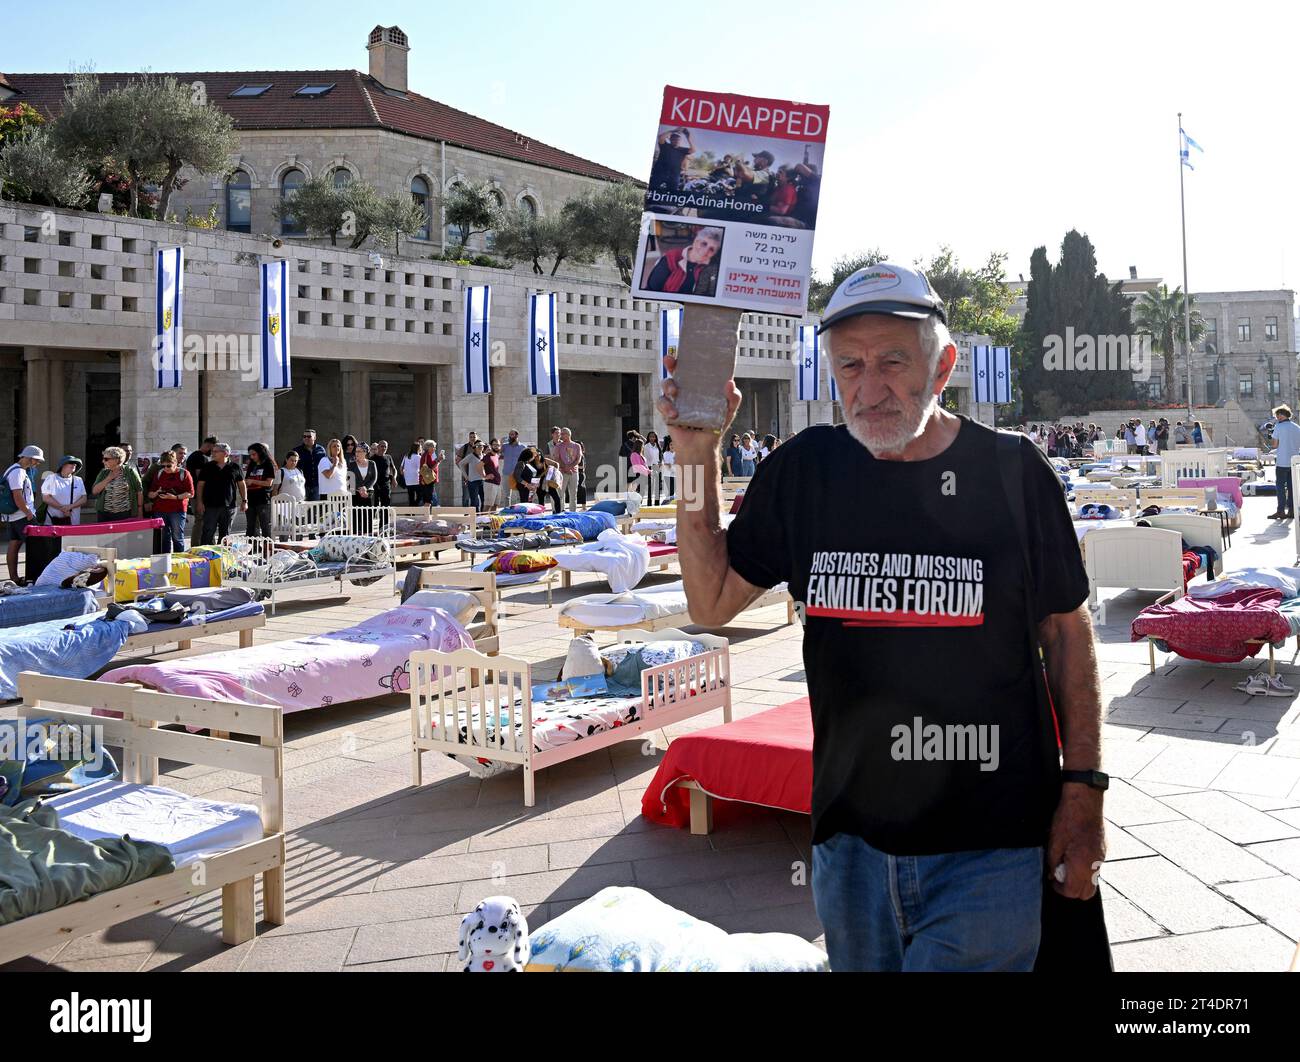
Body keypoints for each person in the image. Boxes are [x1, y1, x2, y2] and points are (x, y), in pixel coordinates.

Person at [658, 261, 1103, 972]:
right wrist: (693, 453)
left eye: (893, 362)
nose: (869, 389)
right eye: (850, 366)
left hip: (990, 849)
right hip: (850, 849)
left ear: (943, 363)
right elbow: (710, 602)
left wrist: (1084, 794)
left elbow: (1070, 638)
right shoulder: (806, 473)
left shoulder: (1012, 474)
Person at [4, 445, 43, 583]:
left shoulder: (12, 469)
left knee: (14, 544)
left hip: (13, 515)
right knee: (37, 546)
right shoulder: (18, 472)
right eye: (36, 460)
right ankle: (35, 578)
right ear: (29, 458)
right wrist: (28, 513)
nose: (38, 463)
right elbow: (17, 495)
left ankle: (14, 578)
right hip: (22, 516)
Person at [645, 227, 723, 297]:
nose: (705, 251)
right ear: (696, 241)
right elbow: (651, 290)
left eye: (711, 249)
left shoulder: (713, 270)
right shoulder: (672, 258)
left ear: (714, 254)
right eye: (704, 244)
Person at [196, 443, 246, 545]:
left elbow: (242, 485)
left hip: (229, 506)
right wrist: (199, 502)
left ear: (225, 453)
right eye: (212, 451)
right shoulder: (207, 467)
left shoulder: (235, 467)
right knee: (207, 532)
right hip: (210, 506)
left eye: (215, 451)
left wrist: (245, 501)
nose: (212, 454)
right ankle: (206, 556)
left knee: (225, 535)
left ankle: (222, 557)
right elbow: (200, 485)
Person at [148, 449, 194, 552]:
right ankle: (166, 561)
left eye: (168, 466)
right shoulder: (159, 473)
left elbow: (191, 493)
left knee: (177, 537)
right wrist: (157, 493)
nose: (165, 468)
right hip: (160, 510)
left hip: (177, 510)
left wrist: (174, 497)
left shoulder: (184, 474)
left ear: (175, 463)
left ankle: (179, 560)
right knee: (164, 538)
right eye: (163, 466)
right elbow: (150, 494)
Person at [92, 446, 142, 522]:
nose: (103, 461)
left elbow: (139, 491)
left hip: (124, 514)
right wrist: (109, 478)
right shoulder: (104, 473)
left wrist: (140, 511)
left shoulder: (130, 472)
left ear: (117, 460)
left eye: (106, 459)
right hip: (104, 514)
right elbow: (95, 491)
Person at [1269, 405, 1300, 520]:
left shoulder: (1279, 427)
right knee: (1292, 487)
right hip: (1294, 462)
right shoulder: (1297, 427)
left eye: (1277, 415)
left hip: (1282, 461)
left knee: (1280, 487)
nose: (1276, 418)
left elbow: (1275, 445)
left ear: (1282, 415)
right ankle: (1292, 511)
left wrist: (1271, 440)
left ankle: (1281, 511)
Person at [186, 436, 217, 545]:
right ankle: (197, 545)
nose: (213, 452)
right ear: (208, 446)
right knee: (201, 520)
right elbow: (201, 477)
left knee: (202, 520)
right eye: (213, 449)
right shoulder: (200, 458)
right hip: (200, 495)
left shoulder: (193, 456)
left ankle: (203, 543)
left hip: (197, 494)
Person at [41, 455, 88, 526]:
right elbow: (46, 498)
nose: (74, 465)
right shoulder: (51, 478)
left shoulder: (78, 480)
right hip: (53, 521)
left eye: (75, 463)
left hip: (73, 522)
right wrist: (62, 508)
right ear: (63, 465)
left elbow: (84, 498)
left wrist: (70, 507)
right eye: (71, 462)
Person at [244, 443, 278, 538]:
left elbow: (269, 483)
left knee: (265, 525)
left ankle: (267, 547)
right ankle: (251, 546)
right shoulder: (252, 464)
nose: (252, 457)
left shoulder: (268, 464)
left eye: (254, 454)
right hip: (250, 498)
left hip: (263, 499)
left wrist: (253, 481)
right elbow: (247, 479)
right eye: (250, 455)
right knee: (251, 525)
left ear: (260, 453)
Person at [649, 127, 693, 193]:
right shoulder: (665, 146)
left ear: (680, 141)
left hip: (674, 176)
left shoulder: (682, 150)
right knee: (652, 191)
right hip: (659, 174)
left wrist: (688, 137)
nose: (676, 140)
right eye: (674, 139)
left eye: (678, 139)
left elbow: (693, 150)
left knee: (672, 194)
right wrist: (674, 131)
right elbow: (660, 137)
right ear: (670, 140)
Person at [292, 430, 327, 502]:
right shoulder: (297, 451)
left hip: (317, 485)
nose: (306, 438)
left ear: (314, 437)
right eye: (304, 436)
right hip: (302, 484)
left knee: (315, 508)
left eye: (309, 436)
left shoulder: (321, 450)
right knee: (302, 507)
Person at [554, 427, 583, 510]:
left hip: (574, 472)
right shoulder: (558, 446)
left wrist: (570, 467)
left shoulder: (577, 446)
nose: (561, 436)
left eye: (562, 434)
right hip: (562, 472)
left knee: (573, 494)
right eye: (560, 434)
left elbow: (578, 459)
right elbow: (557, 458)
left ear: (568, 435)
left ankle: (573, 512)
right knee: (560, 493)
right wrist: (565, 467)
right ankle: (561, 511)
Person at [458, 441, 486, 512]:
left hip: (483, 481)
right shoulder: (471, 456)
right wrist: (466, 476)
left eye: (482, 446)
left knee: (484, 500)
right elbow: (461, 464)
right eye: (478, 446)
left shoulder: (484, 456)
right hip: (473, 481)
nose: (480, 447)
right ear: (474, 448)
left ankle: (482, 516)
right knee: (474, 501)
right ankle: (475, 517)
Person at [500, 430, 525, 506]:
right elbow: (497, 453)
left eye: (512, 434)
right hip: (506, 474)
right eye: (509, 434)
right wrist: (500, 443)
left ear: (517, 435)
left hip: (517, 475)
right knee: (506, 496)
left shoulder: (523, 447)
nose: (510, 436)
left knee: (518, 496)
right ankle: (506, 512)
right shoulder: (504, 446)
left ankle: (518, 512)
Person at [371, 440, 395, 507]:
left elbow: (394, 469)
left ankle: (385, 517)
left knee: (386, 505)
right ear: (378, 447)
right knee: (375, 505)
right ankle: (373, 517)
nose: (384, 448)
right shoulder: (372, 459)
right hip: (375, 484)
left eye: (385, 447)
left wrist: (394, 478)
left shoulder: (388, 457)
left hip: (386, 484)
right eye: (382, 446)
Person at [481, 439, 503, 511]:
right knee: (488, 506)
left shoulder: (496, 455)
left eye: (498, 445)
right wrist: (484, 476)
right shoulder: (487, 456)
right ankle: (482, 521)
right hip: (490, 484)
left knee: (496, 505)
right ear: (491, 446)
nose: (497, 447)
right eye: (495, 445)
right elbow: (478, 466)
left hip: (497, 483)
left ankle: (492, 521)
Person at [419, 440, 442, 506]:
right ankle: (427, 515)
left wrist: (438, 460)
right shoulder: (427, 455)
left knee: (427, 499)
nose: (435, 448)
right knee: (428, 500)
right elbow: (431, 467)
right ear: (428, 447)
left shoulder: (425, 455)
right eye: (433, 447)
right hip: (428, 480)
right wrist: (438, 459)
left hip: (426, 480)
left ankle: (426, 514)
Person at [642, 431, 662, 505]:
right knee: (650, 486)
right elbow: (644, 457)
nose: (652, 438)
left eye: (653, 437)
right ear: (648, 437)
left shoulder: (658, 445)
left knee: (657, 485)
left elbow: (660, 455)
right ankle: (649, 503)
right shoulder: (646, 446)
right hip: (649, 467)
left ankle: (657, 503)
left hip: (657, 466)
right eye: (650, 436)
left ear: (656, 438)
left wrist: (660, 462)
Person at [401, 442, 424, 507]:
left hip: (408, 479)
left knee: (411, 497)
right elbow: (421, 469)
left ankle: (411, 512)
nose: (421, 449)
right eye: (421, 448)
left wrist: (405, 474)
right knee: (420, 495)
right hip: (416, 479)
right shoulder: (418, 457)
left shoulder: (406, 456)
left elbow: (401, 468)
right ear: (418, 448)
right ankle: (414, 507)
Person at [660, 435, 676, 501]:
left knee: (673, 489)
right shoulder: (666, 453)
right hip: (667, 474)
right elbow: (664, 462)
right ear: (669, 446)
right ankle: (668, 501)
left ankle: (669, 501)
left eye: (674, 445)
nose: (672, 446)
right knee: (670, 490)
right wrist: (668, 464)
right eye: (671, 445)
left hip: (675, 474)